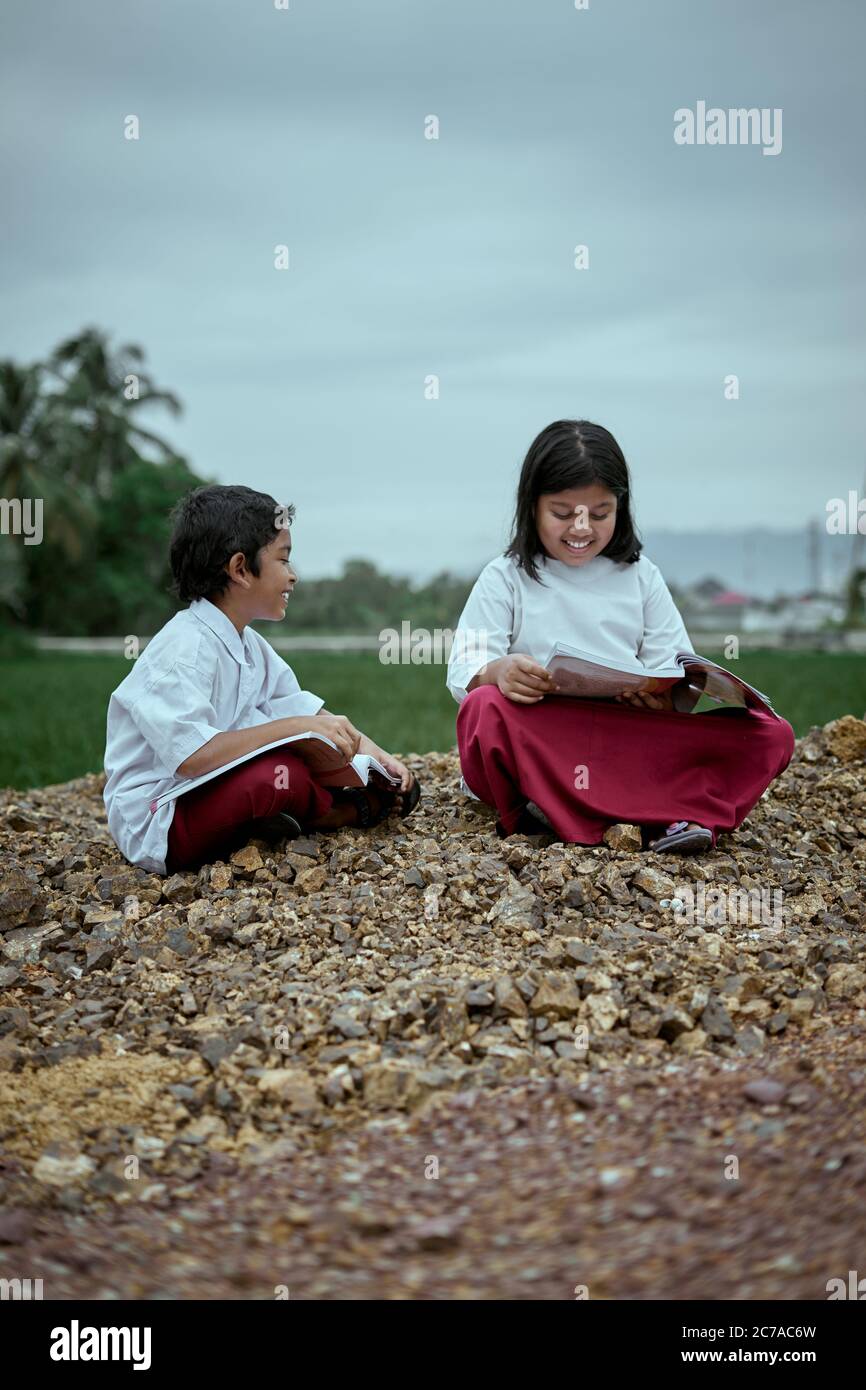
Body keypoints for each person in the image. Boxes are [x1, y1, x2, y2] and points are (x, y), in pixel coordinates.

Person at [446, 420, 795, 853]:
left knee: (771, 735)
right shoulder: (506, 577)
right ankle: (636, 813)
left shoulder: (640, 577)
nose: (580, 528)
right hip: (545, 736)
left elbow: (675, 666)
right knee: (485, 707)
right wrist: (498, 671)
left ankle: (596, 812)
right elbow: (466, 668)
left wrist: (663, 698)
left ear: (621, 507)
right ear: (531, 506)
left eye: (599, 514)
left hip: (623, 740)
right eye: (561, 512)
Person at [104, 484, 420, 875]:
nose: (293, 576)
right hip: (164, 817)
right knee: (276, 777)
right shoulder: (183, 647)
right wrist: (294, 727)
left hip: (211, 788)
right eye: (283, 560)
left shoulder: (247, 643)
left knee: (329, 766)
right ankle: (334, 814)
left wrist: (384, 759)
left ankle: (299, 811)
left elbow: (308, 709)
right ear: (240, 569)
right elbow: (191, 758)